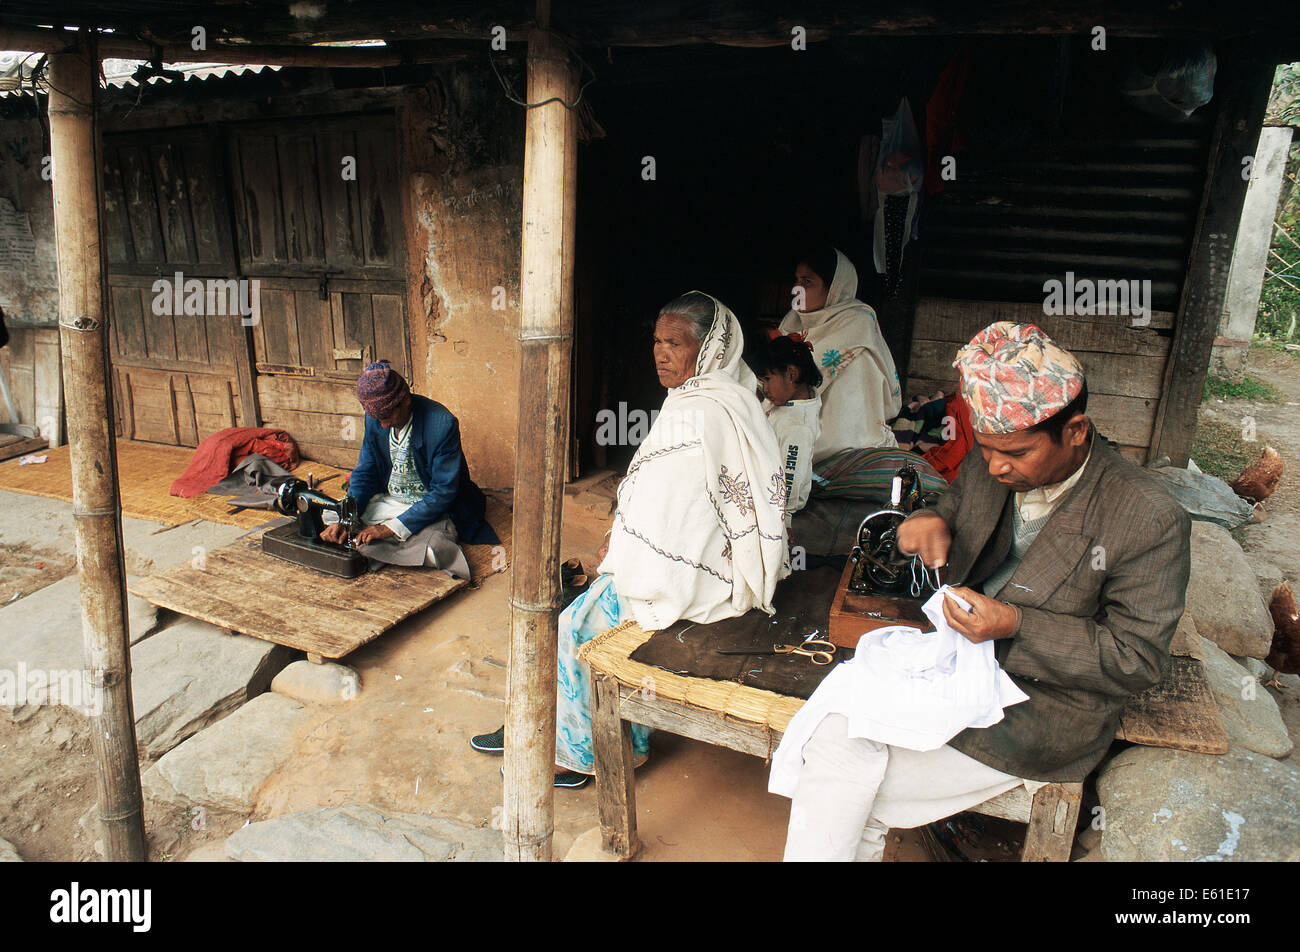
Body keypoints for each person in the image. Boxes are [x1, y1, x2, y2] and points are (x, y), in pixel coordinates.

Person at [776, 321, 1191, 861]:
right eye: (988, 450)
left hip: (1040, 702)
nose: (996, 466)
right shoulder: (994, 459)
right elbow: (950, 508)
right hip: (952, 660)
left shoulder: (1148, 518)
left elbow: (1135, 659)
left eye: (1015, 454)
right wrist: (924, 522)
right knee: (834, 739)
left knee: (845, 782)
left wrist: (1016, 625)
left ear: (1076, 431)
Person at [472, 292, 790, 786]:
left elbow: (677, 521)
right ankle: (546, 727)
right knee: (572, 612)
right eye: (657, 341)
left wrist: (620, 549)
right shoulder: (712, 397)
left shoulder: (701, 411)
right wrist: (618, 532)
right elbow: (663, 503)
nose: (661, 353)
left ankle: (588, 755)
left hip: (690, 578)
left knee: (574, 626)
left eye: (675, 344)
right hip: (698, 565)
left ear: (708, 348)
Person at [319, 360, 496, 576]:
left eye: (386, 418)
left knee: (434, 547)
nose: (382, 425)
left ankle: (388, 545)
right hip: (391, 500)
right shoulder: (375, 419)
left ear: (404, 401)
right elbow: (366, 471)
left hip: (431, 506)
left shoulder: (442, 424)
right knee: (331, 516)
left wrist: (389, 528)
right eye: (378, 419)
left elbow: (443, 492)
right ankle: (379, 542)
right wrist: (347, 518)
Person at [778, 247, 901, 461]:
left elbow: (801, 376)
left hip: (848, 439)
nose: (796, 289)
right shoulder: (792, 321)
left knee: (858, 365)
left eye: (807, 282)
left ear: (834, 289)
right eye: (797, 280)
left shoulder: (856, 323)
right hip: (800, 428)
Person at [754, 332, 823, 527]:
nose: (765, 388)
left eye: (767, 379)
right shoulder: (788, 401)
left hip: (777, 507)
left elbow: (790, 476)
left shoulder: (797, 427)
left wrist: (785, 519)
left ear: (792, 374)